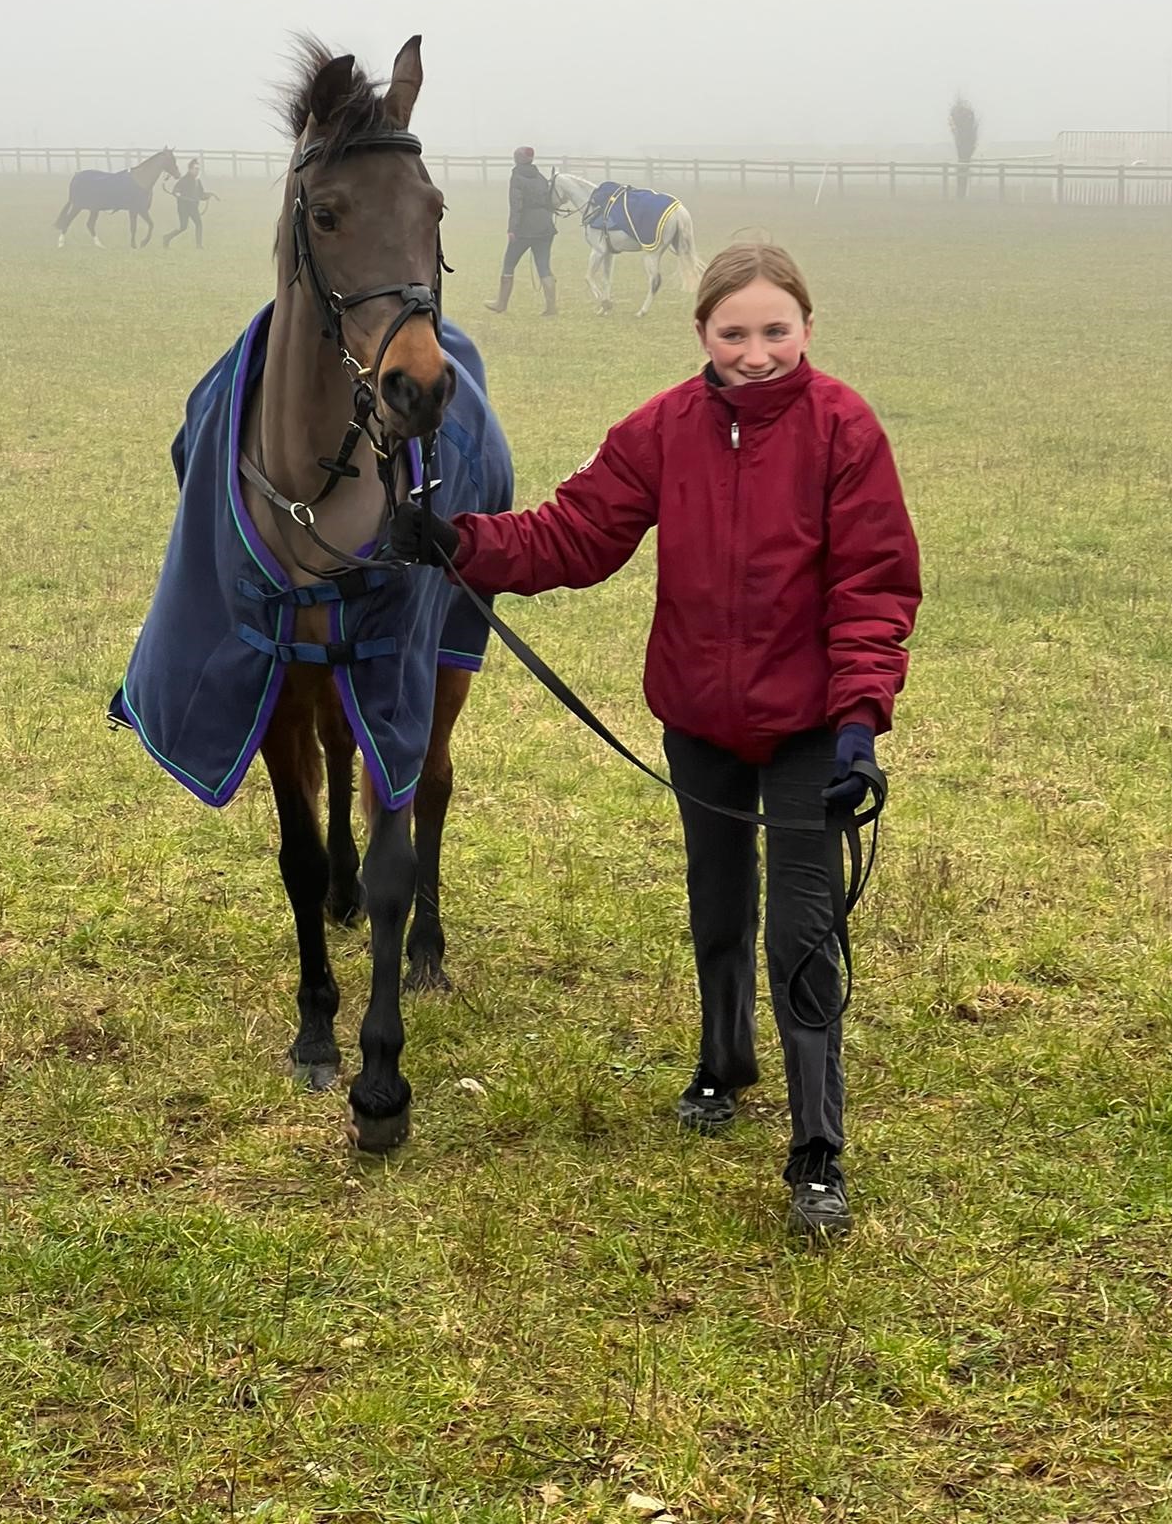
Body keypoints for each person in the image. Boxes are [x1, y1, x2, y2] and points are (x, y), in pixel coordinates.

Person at [393, 245, 921, 1237]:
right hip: (700, 721)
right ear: (703, 337)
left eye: (775, 331)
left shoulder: (846, 429)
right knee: (718, 909)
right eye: (735, 333)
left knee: (803, 935)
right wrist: (463, 541)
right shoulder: (664, 430)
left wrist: (858, 727)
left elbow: (874, 586)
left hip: (814, 732)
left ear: (807, 327)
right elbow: (573, 535)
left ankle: (817, 1156)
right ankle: (721, 1067)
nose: (757, 352)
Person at [485, 146, 557, 316]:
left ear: (517, 159)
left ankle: (501, 304)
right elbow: (549, 202)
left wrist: (512, 229)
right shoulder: (540, 177)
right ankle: (551, 308)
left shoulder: (517, 177)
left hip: (524, 229)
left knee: (509, 263)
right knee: (544, 266)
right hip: (545, 227)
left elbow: (516, 205)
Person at [163, 158, 217, 249]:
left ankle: (199, 245)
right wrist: (177, 194)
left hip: (193, 207)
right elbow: (175, 190)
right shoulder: (184, 180)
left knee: (199, 224)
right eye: (195, 169)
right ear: (190, 169)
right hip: (183, 208)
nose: (197, 171)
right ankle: (167, 237)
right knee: (183, 227)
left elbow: (200, 195)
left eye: (198, 169)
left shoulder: (197, 181)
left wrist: (208, 195)